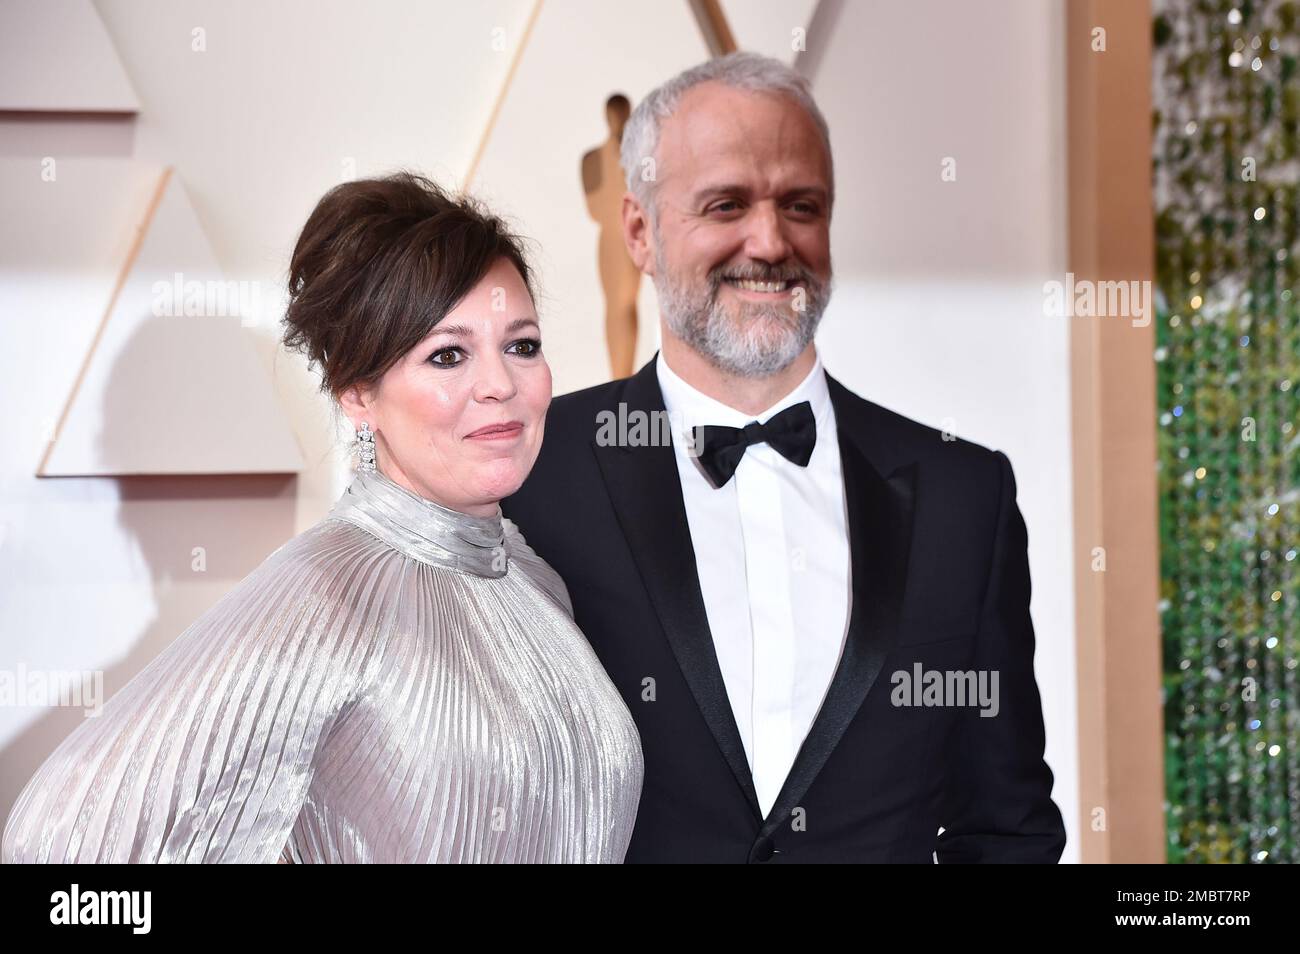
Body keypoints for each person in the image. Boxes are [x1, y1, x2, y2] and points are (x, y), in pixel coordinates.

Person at [501, 52, 1067, 863]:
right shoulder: (530, 474)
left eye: (801, 205)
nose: (769, 242)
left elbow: (1007, 828)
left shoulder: (964, 495)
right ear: (641, 232)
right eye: (725, 204)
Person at [1, 172, 644, 863]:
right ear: (358, 393)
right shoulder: (323, 595)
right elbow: (61, 851)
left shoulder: (536, 581)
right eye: (447, 355)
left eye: (521, 345)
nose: (501, 385)